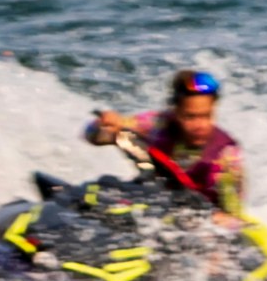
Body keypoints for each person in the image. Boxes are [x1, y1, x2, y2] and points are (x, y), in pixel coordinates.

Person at [85, 70, 249, 215]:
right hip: (152, 198)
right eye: (190, 117)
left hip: (199, 215)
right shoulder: (157, 124)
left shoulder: (227, 155)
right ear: (176, 111)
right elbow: (93, 137)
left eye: (206, 116)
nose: (200, 125)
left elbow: (233, 214)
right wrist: (103, 126)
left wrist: (224, 219)